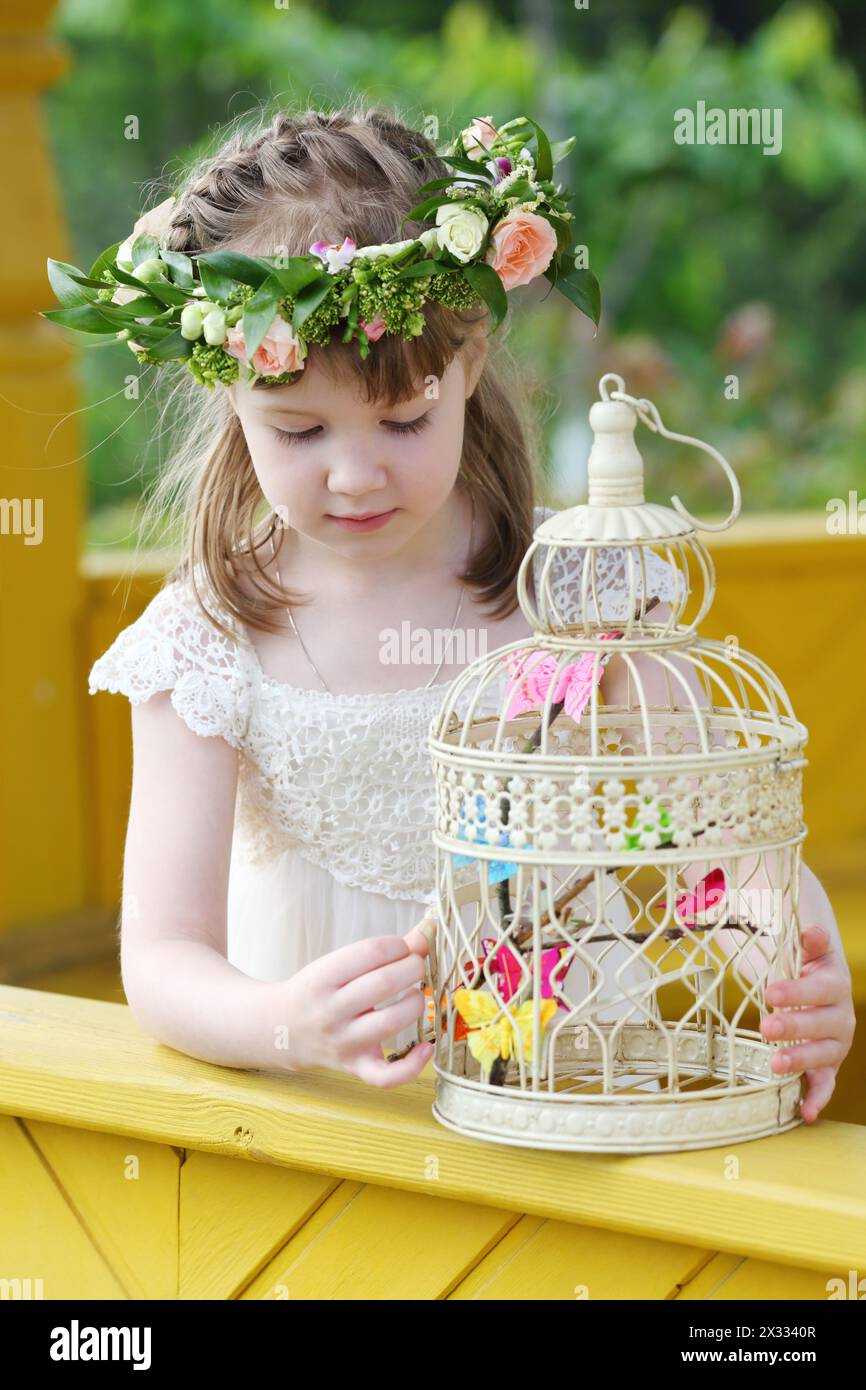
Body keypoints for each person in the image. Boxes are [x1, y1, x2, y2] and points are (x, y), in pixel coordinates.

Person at [77, 103, 853, 1115]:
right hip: (325, 1114)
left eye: (402, 420)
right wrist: (283, 1020)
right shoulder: (211, 640)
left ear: (469, 364)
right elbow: (164, 955)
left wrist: (795, 954)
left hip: (563, 1091)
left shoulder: (571, 596)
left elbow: (704, 818)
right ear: (232, 391)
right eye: (300, 429)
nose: (353, 476)